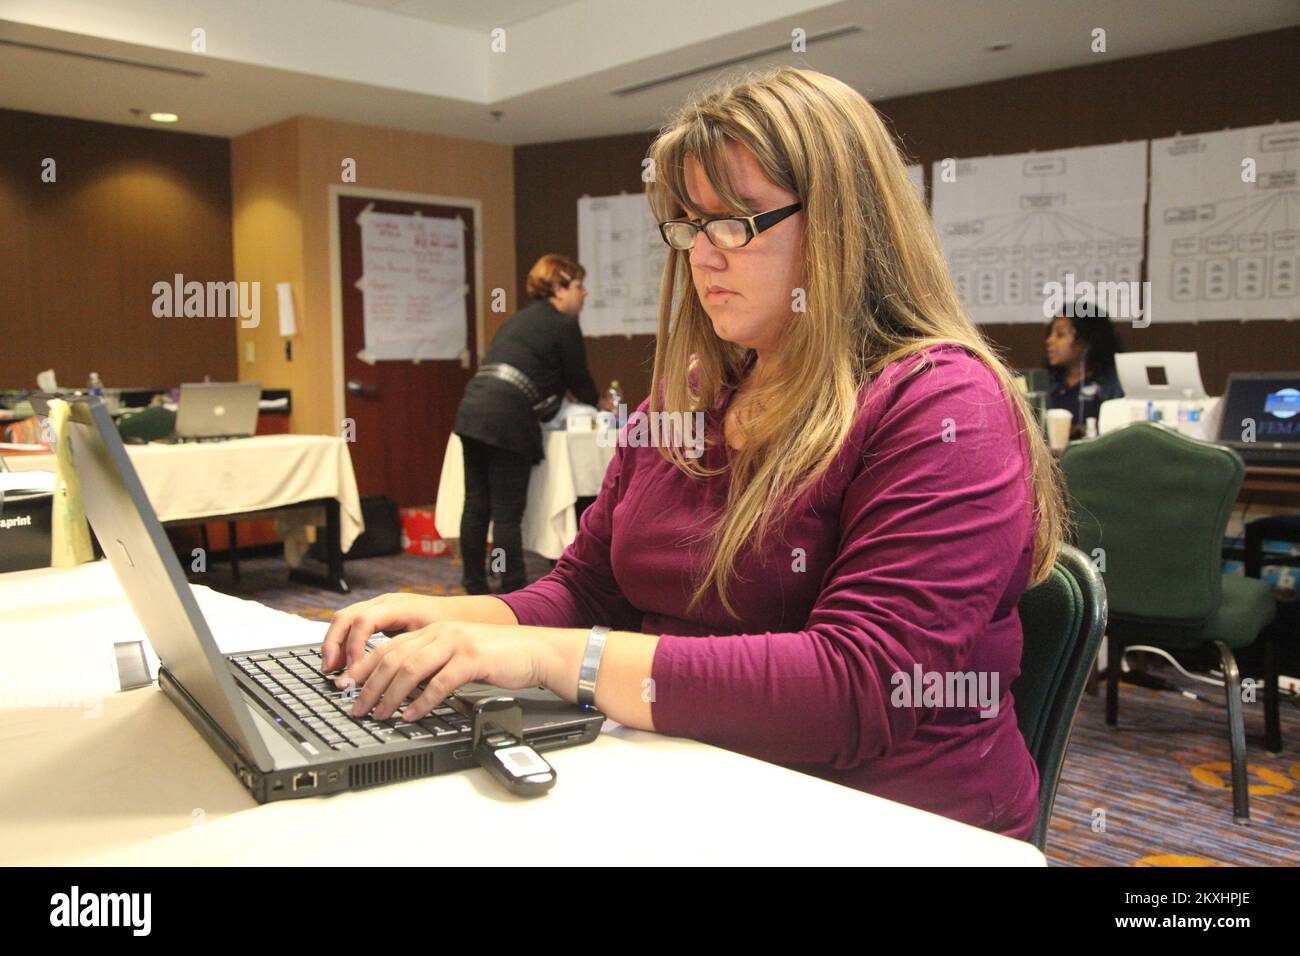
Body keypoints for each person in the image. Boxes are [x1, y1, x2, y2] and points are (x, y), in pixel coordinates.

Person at [321, 67, 1068, 841]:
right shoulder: (689, 399)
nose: (701, 257)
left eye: (736, 221)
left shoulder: (945, 405)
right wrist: (460, 624)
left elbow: (859, 688)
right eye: (687, 224)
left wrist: (545, 658)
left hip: (889, 826)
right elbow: (587, 590)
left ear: (847, 224)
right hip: (694, 785)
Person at [451, 255, 604, 594]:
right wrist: (599, 404)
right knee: (506, 515)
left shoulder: (517, 320)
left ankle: (474, 585)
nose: (585, 293)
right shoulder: (564, 324)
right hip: (508, 417)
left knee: (476, 504)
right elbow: (578, 378)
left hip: (473, 408)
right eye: (579, 286)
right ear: (559, 288)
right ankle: (511, 588)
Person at [1045, 301, 1124, 438]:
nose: (1050, 340)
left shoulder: (1111, 384)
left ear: (1085, 341)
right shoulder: (1049, 382)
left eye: (1060, 335)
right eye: (1050, 334)